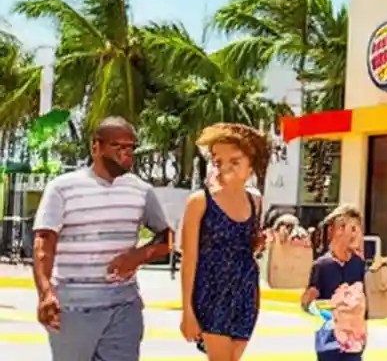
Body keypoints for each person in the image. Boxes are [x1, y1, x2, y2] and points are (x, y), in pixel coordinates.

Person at [32, 117, 172, 361]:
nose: (127, 153)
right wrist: (45, 293)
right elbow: (44, 243)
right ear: (95, 147)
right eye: (119, 146)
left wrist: (138, 256)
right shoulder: (62, 188)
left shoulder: (141, 190)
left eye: (131, 147)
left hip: (124, 307)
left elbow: (167, 238)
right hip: (74, 307)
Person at [179, 123, 270, 361]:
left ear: (251, 165)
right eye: (218, 162)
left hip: (246, 291)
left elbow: (248, 245)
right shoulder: (199, 202)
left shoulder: (256, 201)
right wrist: (187, 310)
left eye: (235, 161)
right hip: (211, 292)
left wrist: (260, 242)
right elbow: (189, 258)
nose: (224, 169)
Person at [300, 204, 368, 361]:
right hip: (328, 341)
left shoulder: (359, 264)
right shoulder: (322, 265)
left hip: (354, 342)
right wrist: (329, 308)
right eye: (343, 227)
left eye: (355, 228)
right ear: (331, 232)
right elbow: (307, 303)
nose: (350, 233)